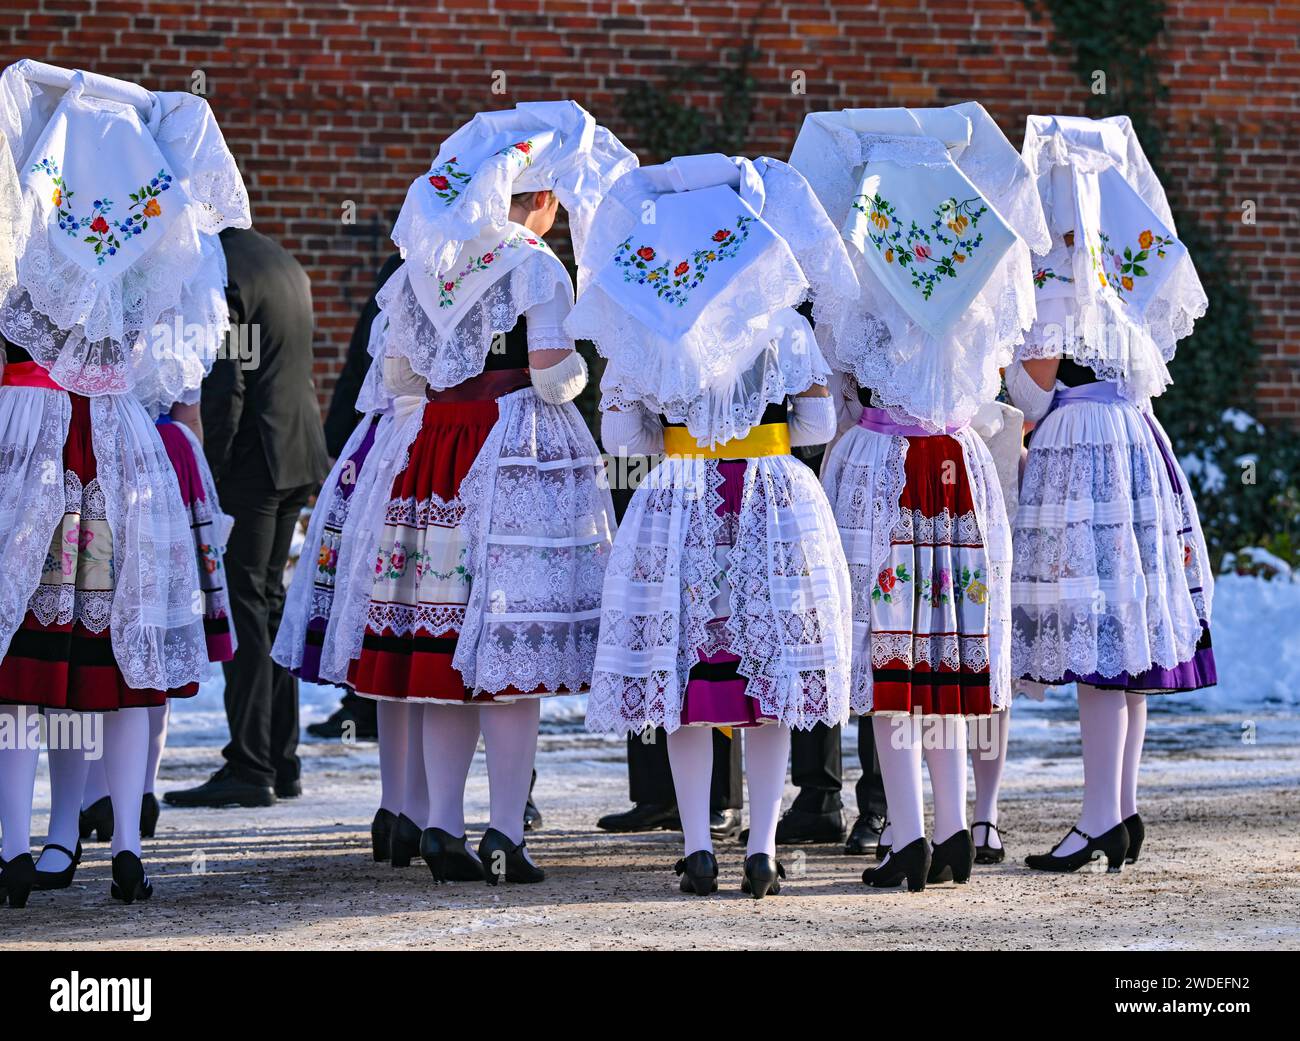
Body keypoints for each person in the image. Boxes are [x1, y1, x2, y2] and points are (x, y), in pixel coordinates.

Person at [323, 102, 634, 884]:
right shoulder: (535, 264)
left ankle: (440, 825)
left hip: (431, 454)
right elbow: (551, 375)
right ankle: (505, 830)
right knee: (508, 654)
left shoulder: (418, 266)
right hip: (508, 454)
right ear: (542, 200)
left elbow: (397, 379)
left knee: (437, 651)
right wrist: (591, 368)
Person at [575, 152, 860, 898]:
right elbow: (815, 423)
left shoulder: (645, 321)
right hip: (771, 497)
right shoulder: (785, 328)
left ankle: (700, 847)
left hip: (679, 501)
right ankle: (762, 849)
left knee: (686, 684)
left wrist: (682, 436)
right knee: (764, 688)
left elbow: (619, 438)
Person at [0, 60, 249, 905]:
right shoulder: (165, 228)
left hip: (32, 441)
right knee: (104, 656)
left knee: (34, 661)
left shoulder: (26, 216)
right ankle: (118, 840)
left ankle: (24, 841)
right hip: (120, 449)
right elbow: (174, 369)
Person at [792, 103, 1051, 891]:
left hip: (882, 461)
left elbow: (839, 369)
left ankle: (908, 836)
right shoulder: (988, 254)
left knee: (893, 651)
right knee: (946, 654)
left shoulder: (859, 267)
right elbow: (1003, 368)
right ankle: (952, 826)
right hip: (957, 464)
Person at [1009, 115, 1215, 872]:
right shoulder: (1127, 271)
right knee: (1123, 643)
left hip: (1082, 452)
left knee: (1096, 638)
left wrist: (1004, 354)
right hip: (1137, 447)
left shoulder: (1058, 278)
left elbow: (1030, 399)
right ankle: (1120, 808)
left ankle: (1100, 817)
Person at [165, 225, 330, 809]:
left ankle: (250, 766)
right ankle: (280, 762)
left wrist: (205, 475)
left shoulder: (219, 268)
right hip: (294, 452)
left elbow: (227, 384)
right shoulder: (279, 256)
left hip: (252, 462)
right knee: (269, 605)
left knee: (243, 606)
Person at [305, 250, 402, 744]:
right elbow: (366, 360)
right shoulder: (406, 264)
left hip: (435, 440)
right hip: (392, 438)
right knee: (373, 575)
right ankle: (362, 697)